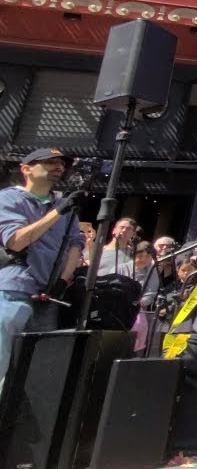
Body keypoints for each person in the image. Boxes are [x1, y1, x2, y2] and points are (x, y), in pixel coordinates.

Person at [0, 148, 84, 392]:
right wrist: (58, 212)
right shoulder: (9, 199)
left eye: (60, 163)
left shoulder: (65, 206)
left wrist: (63, 281)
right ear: (26, 169)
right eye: (49, 162)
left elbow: (74, 245)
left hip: (48, 299)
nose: (58, 166)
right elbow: (15, 241)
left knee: (36, 376)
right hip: (12, 293)